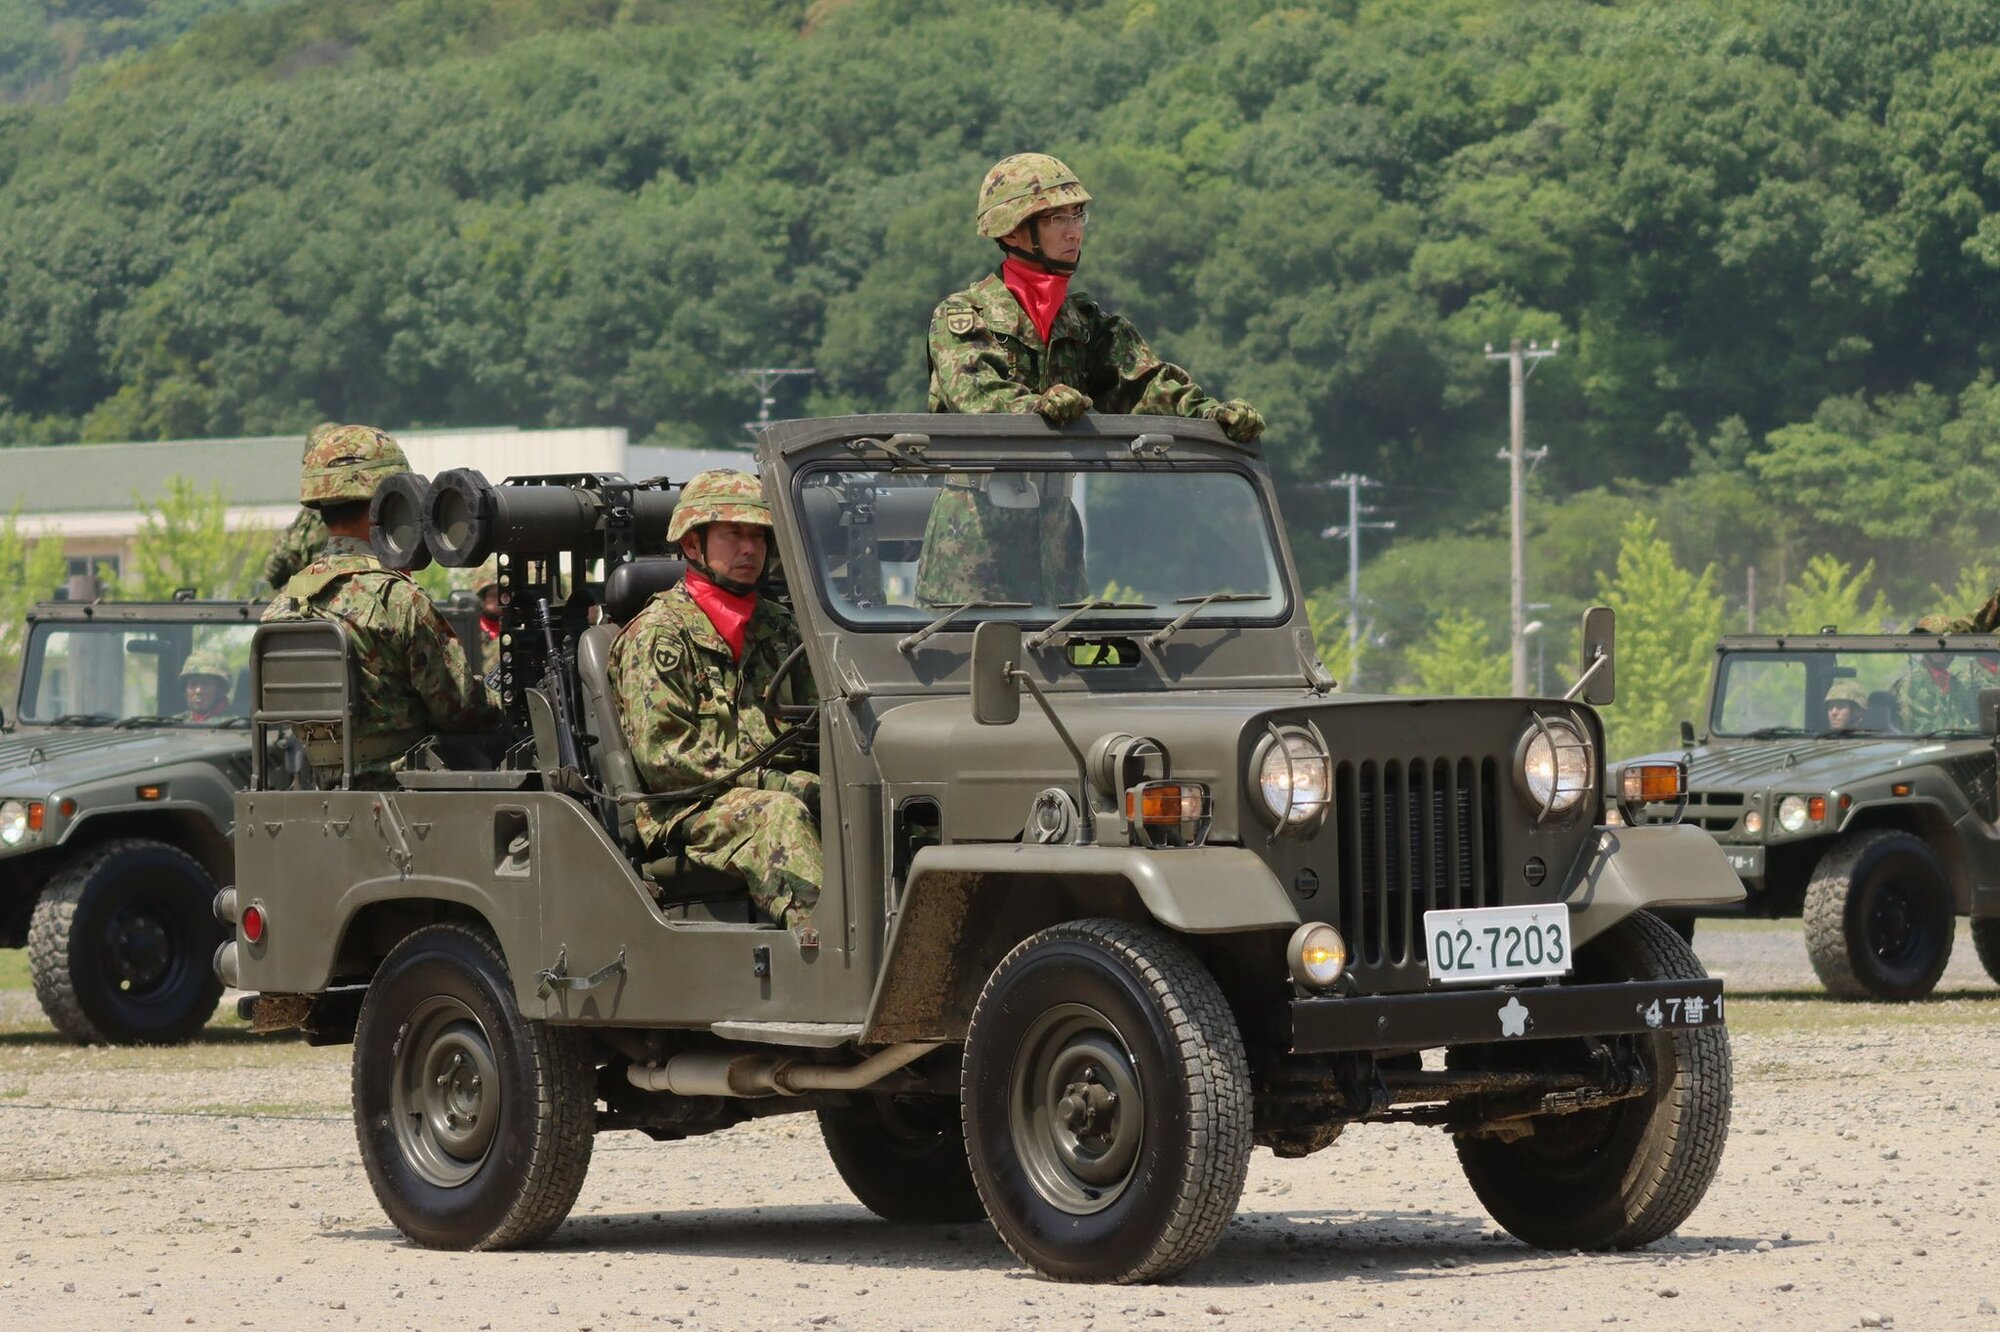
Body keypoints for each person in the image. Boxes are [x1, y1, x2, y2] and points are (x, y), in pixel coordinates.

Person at [916, 152, 1263, 606]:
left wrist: (1210, 415)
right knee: (968, 671)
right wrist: (1035, 407)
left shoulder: (1083, 323)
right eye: (1057, 218)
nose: (1074, 230)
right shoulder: (962, 316)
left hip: (1055, 542)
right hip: (972, 547)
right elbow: (976, 396)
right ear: (1015, 229)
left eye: (1078, 215)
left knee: (1068, 668)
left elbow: (1143, 384)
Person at [609, 469, 822, 938]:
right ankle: (827, 950)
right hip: (687, 810)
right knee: (778, 815)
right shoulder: (659, 634)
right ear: (691, 545)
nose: (750, 549)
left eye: (758, 536)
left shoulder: (781, 628)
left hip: (778, 787)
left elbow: (820, 722)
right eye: (733, 535)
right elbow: (665, 756)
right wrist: (773, 781)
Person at [262, 425, 498, 789]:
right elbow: (461, 710)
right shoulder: (398, 600)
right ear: (390, 500)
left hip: (313, 793)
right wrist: (506, 700)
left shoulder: (281, 608)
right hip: (405, 797)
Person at [261, 423, 338, 591]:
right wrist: (285, 561)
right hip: (300, 605)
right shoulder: (307, 515)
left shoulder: (352, 510)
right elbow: (272, 572)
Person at [1893, 615, 1979, 733]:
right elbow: (1921, 730)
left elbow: (1968, 720)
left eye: (1947, 644)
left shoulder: (1957, 685)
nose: (1942, 650)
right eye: (1935, 643)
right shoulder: (1912, 684)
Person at [178, 650, 232, 722]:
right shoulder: (176, 723)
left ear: (220, 688)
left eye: (206, 684)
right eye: (193, 684)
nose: (198, 691)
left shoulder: (238, 725)